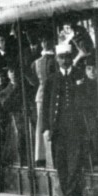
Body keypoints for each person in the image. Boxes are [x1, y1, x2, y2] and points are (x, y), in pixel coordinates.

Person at [44, 42, 87, 196]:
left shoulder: (79, 74)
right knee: (60, 160)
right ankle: (64, 193)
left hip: (75, 126)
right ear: (56, 59)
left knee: (74, 160)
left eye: (68, 57)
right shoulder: (52, 79)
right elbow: (45, 104)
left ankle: (72, 194)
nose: (65, 60)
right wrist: (46, 128)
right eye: (61, 57)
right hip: (58, 126)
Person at [31, 34, 58, 165]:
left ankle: (44, 156)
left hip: (44, 94)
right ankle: (43, 156)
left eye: (48, 40)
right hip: (44, 95)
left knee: (44, 124)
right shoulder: (42, 61)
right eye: (44, 40)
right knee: (43, 124)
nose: (46, 43)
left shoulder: (39, 62)